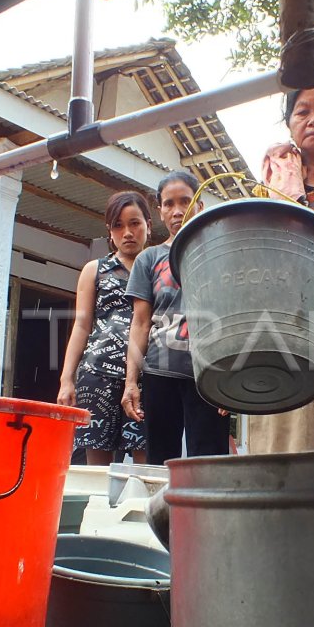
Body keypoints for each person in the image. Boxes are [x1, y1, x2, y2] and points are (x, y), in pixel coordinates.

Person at [247, 80, 314, 454]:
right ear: (289, 122)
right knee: (280, 463)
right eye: (302, 111)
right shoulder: (272, 190)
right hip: (280, 349)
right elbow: (253, 266)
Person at [122, 172, 230, 465]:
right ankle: (163, 513)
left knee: (209, 465)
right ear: (159, 211)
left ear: (200, 204)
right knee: (159, 462)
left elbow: (231, 317)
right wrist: (132, 381)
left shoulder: (220, 255)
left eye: (185, 201)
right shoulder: (149, 259)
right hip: (160, 373)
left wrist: (230, 378)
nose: (177, 210)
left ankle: (207, 513)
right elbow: (141, 323)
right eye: (169, 204)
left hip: (208, 377)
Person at [58, 190, 151, 465]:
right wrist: (67, 379)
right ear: (109, 231)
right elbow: (82, 325)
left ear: (148, 223)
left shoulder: (160, 268)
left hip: (148, 377)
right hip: (97, 376)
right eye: (118, 226)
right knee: (97, 472)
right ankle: (98, 509)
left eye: (135, 223)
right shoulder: (95, 270)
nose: (127, 233)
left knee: (147, 464)